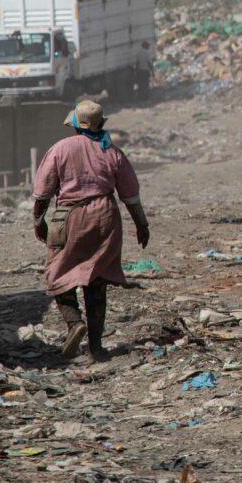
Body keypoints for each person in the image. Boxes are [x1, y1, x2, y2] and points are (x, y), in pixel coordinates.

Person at [32, 100, 149, 362]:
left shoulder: (60, 149)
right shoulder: (112, 151)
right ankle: (96, 348)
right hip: (105, 216)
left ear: (75, 124)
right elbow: (131, 196)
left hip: (69, 216)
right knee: (97, 279)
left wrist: (38, 221)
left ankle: (74, 323)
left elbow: (42, 193)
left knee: (57, 274)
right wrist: (142, 225)